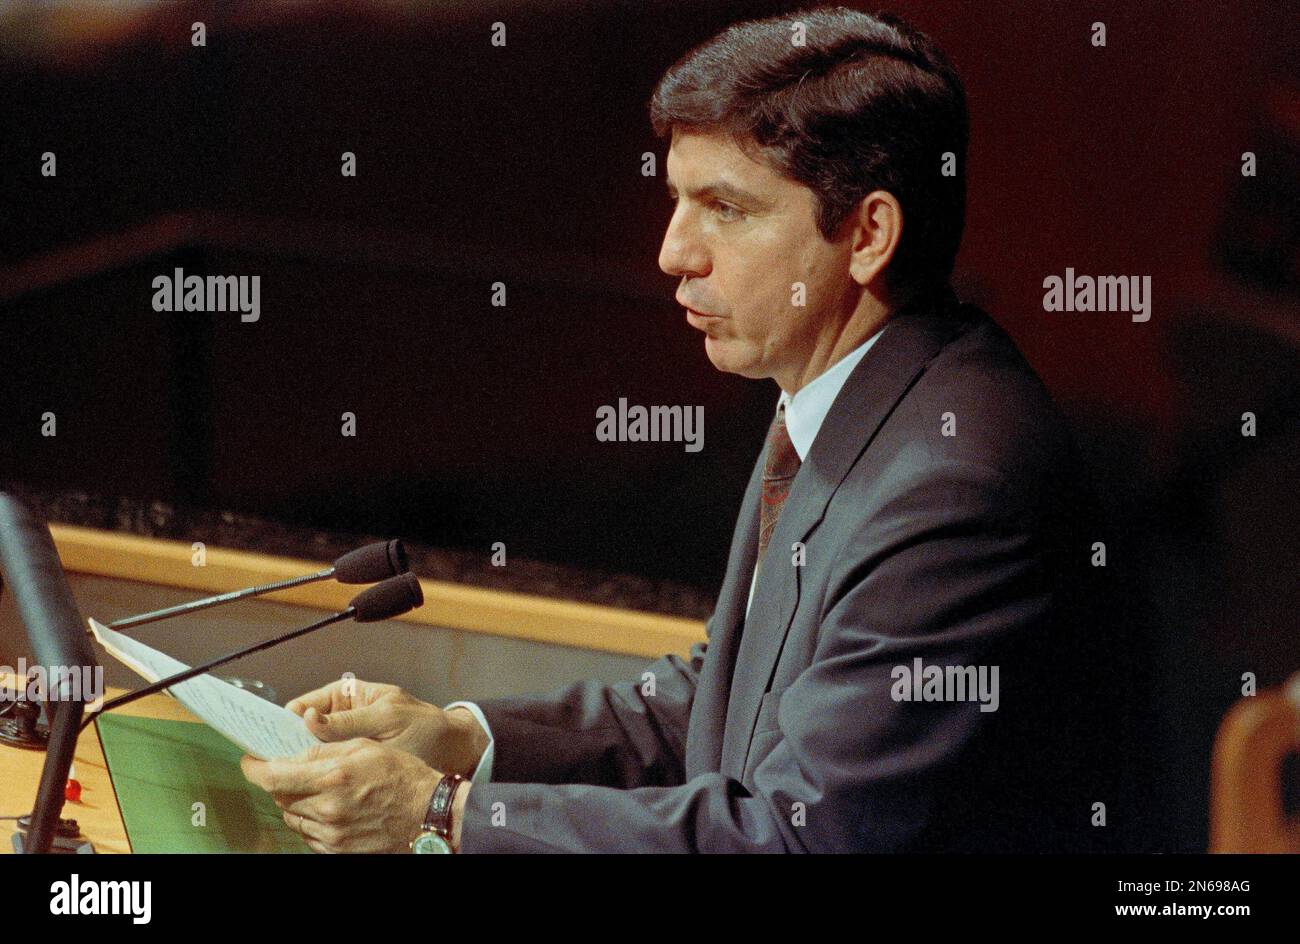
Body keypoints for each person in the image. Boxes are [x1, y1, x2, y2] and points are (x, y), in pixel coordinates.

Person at [242, 6, 1138, 853]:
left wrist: (441, 813)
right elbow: (729, 698)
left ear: (868, 234)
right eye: (679, 201)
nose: (675, 251)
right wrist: (464, 739)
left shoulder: (954, 487)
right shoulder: (843, 389)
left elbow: (793, 837)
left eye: (727, 209)